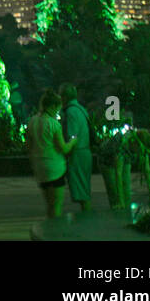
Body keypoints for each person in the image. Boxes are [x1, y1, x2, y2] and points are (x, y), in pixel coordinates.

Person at [25, 88, 77, 218]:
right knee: (56, 206)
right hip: (55, 169)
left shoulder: (32, 121)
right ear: (53, 106)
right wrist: (73, 141)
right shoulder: (53, 124)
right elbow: (63, 148)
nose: (58, 111)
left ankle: (48, 233)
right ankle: (55, 234)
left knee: (49, 205)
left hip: (39, 168)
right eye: (58, 108)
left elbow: (28, 146)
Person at [61, 84, 93, 213]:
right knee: (84, 188)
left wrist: (66, 151)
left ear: (64, 97)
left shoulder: (71, 111)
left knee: (81, 191)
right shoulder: (81, 109)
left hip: (77, 154)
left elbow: (72, 135)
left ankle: (86, 219)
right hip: (85, 151)